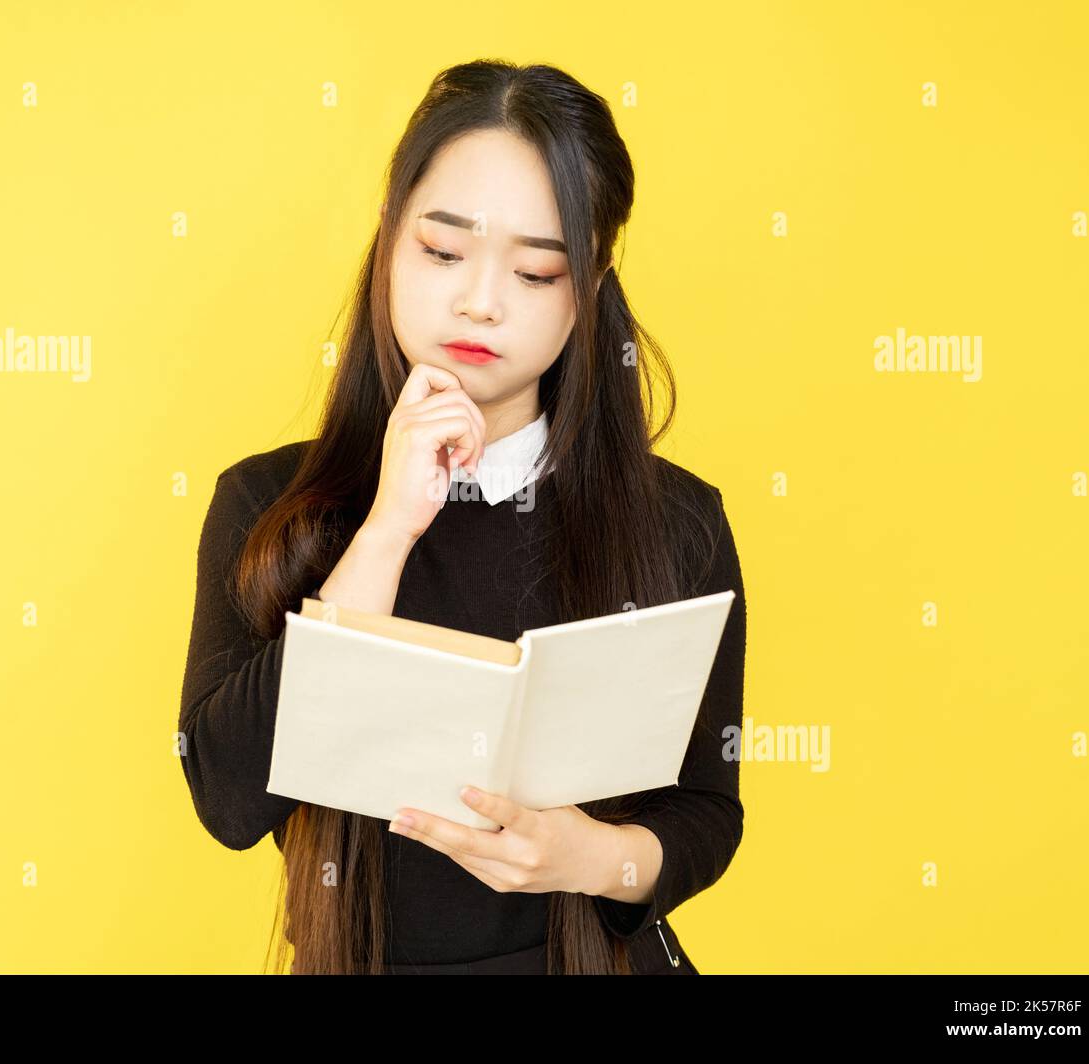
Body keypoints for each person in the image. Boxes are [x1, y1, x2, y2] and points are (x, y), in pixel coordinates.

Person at [178, 59, 747, 975]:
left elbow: (707, 810)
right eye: (442, 253)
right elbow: (228, 799)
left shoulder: (676, 518)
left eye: (535, 270)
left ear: (590, 286)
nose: (479, 301)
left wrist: (588, 858)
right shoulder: (265, 503)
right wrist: (386, 532)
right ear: (391, 242)